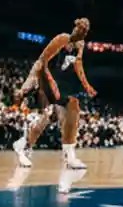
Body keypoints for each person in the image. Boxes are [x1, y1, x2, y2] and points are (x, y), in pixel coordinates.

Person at [13, 17, 96, 170]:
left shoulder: (80, 45)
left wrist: (87, 85)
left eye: (85, 30)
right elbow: (42, 61)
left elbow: (78, 65)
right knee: (57, 110)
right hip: (42, 75)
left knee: (63, 111)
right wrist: (43, 84)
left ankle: (65, 154)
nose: (81, 31)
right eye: (80, 28)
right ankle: (25, 147)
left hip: (56, 80)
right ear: (75, 27)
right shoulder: (62, 39)